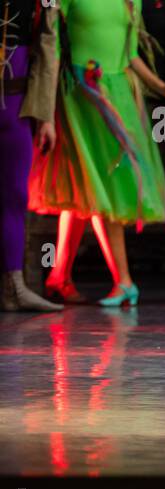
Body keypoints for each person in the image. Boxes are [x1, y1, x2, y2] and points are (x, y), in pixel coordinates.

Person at [29, 0, 165, 307]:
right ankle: (112, 280)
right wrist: (45, 111)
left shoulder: (131, 1)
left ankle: (71, 276)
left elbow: (128, 56)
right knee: (90, 188)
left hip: (115, 96)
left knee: (100, 187)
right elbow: (48, 43)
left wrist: (161, 86)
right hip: (78, 94)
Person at [0, 0, 60, 312]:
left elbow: (48, 48)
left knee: (15, 196)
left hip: (14, 109)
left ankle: (14, 287)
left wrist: (46, 116)